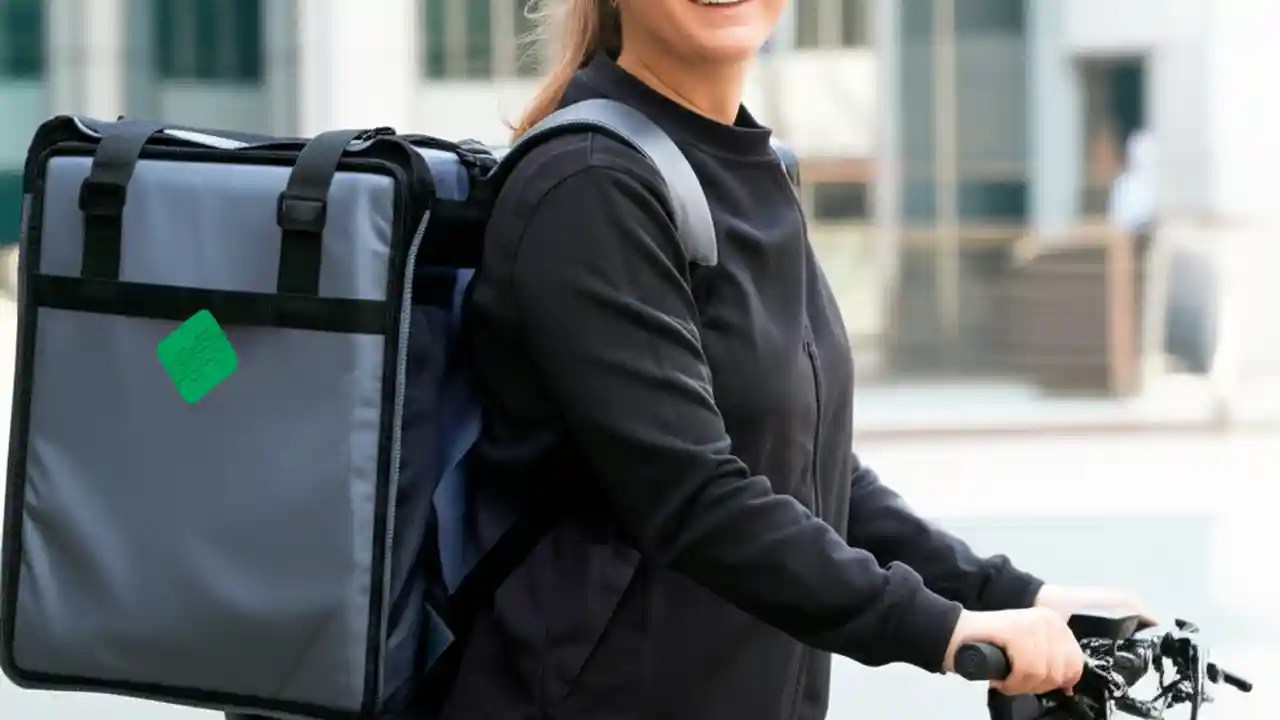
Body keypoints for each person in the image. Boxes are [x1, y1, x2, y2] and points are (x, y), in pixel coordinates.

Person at [232, 2, 1150, 719]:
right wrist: (945, 632)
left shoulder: (758, 170)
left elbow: (806, 463)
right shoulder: (590, 186)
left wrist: (1018, 596)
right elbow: (694, 495)